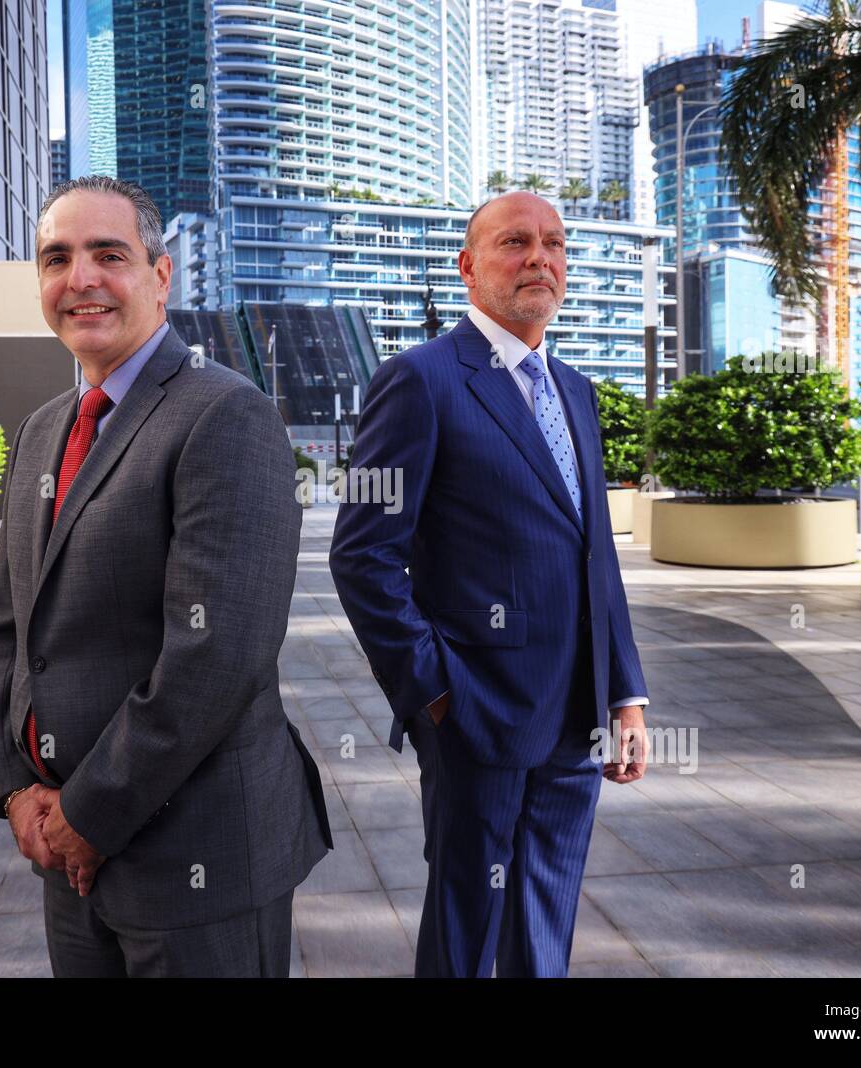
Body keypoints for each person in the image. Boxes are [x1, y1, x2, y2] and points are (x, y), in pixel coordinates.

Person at [0, 175, 331, 978]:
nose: (82, 279)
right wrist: (16, 791)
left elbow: (218, 657)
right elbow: (6, 630)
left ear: (161, 275)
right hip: (63, 857)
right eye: (56, 259)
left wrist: (85, 815)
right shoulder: (39, 432)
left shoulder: (225, 415)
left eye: (110, 254)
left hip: (193, 861)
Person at [329, 191, 649, 977]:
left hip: (580, 718)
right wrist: (438, 695)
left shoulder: (576, 391)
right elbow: (362, 555)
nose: (539, 258)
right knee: (468, 932)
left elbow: (595, 554)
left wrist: (626, 695)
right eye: (515, 242)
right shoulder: (420, 381)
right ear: (469, 267)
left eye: (555, 244)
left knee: (546, 920)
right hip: (478, 716)